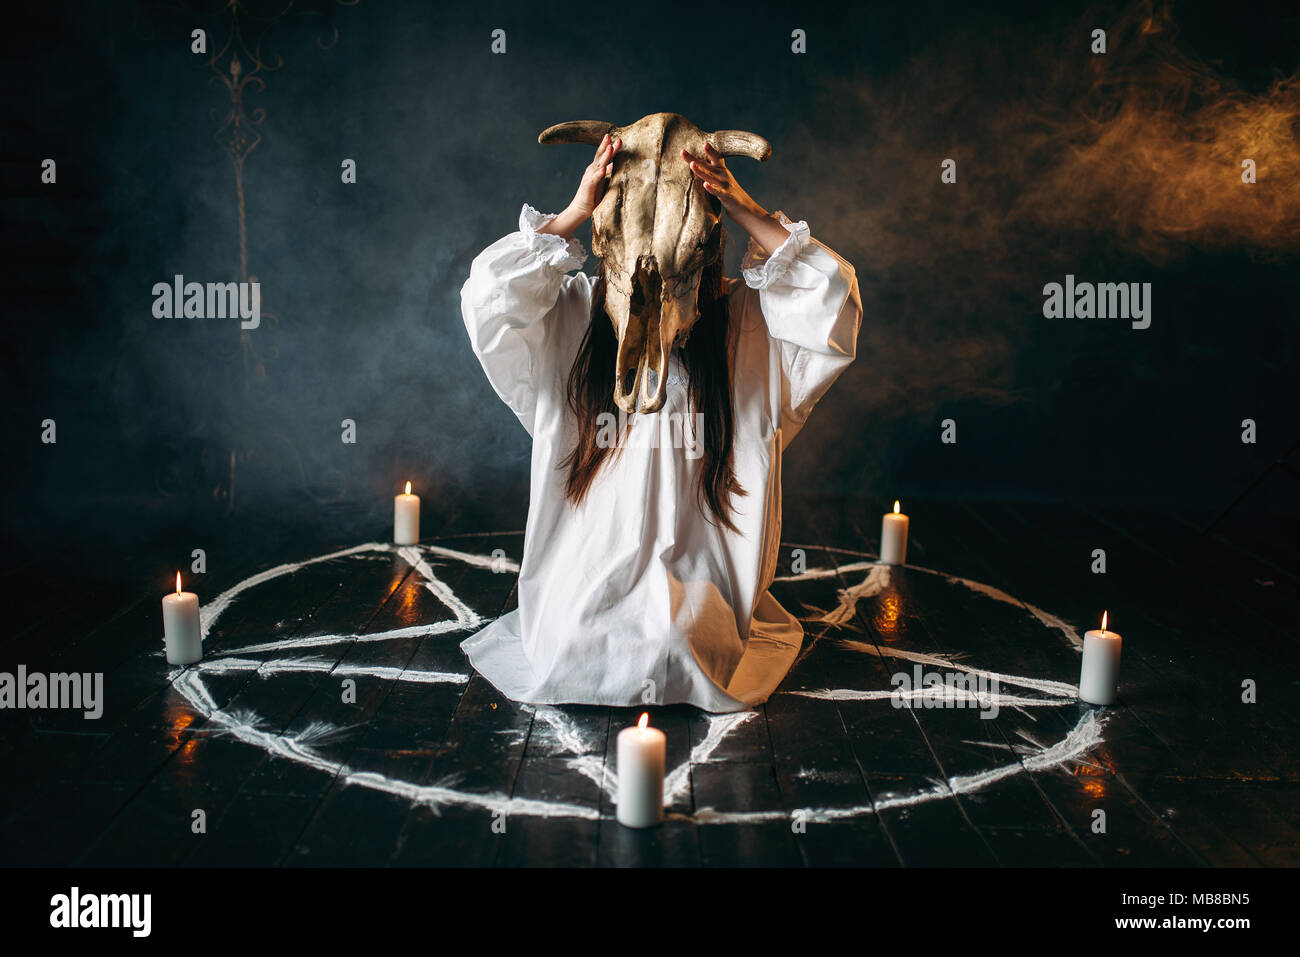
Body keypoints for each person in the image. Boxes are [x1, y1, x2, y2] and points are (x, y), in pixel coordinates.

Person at [460, 131, 861, 711]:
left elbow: (832, 304)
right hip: (586, 564)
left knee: (680, 644)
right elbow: (488, 298)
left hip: (702, 569)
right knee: (576, 644)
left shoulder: (748, 329)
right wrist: (577, 209)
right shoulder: (570, 318)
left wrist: (743, 208)